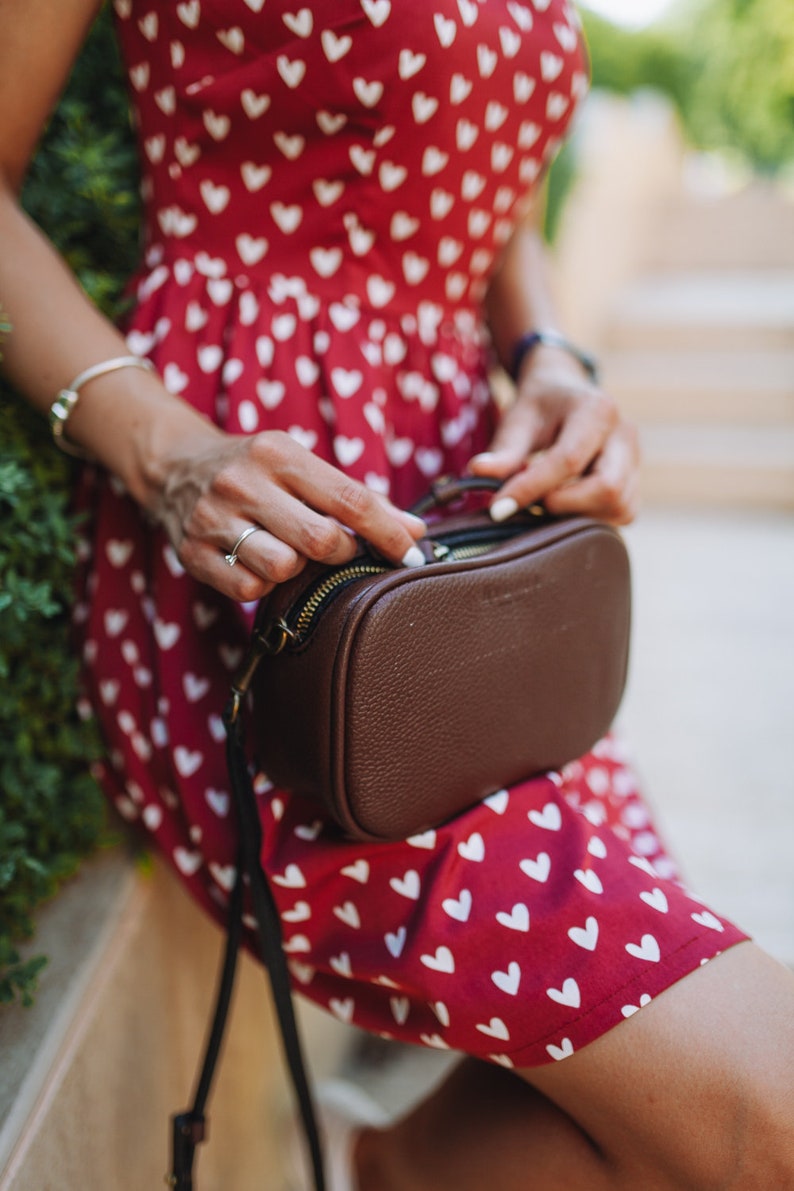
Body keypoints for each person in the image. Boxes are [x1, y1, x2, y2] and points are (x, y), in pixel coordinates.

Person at [2, 2, 793, 1188]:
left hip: (476, 589)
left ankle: (383, 1164)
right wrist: (165, 453)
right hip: (275, 586)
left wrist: (550, 360)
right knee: (758, 1117)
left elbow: (490, 198)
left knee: (630, 1142)